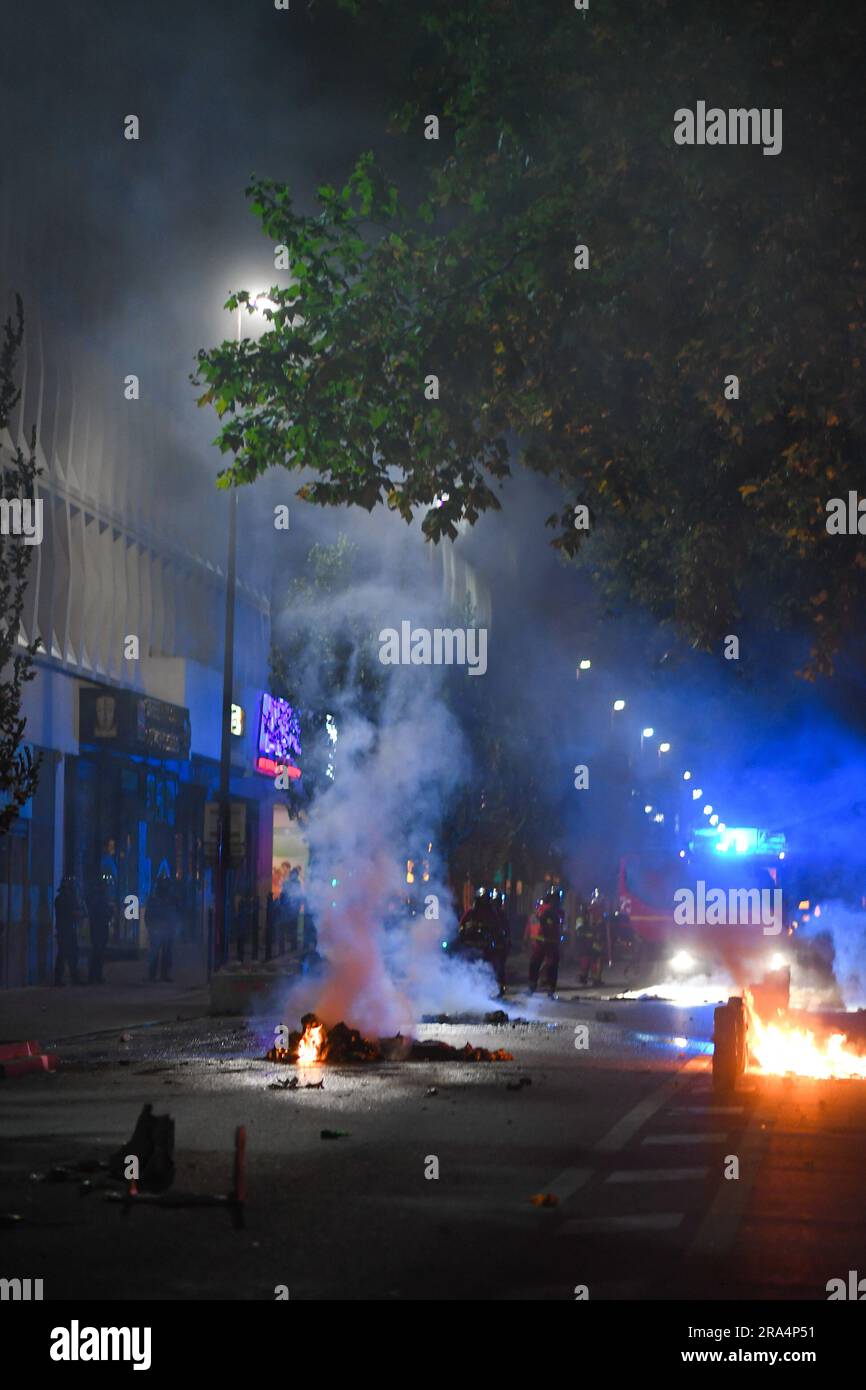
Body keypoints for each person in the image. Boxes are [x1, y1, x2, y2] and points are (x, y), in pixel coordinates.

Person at [526, 887, 564, 997]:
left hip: (544, 943)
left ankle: (536, 987)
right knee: (546, 964)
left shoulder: (545, 910)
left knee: (538, 963)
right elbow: (545, 924)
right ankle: (547, 988)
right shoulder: (549, 910)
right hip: (546, 943)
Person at [54, 875, 87, 985]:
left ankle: (67, 978)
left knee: (68, 954)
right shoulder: (63, 899)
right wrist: (80, 914)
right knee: (66, 954)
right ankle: (63, 978)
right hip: (65, 929)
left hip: (65, 929)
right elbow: (73, 913)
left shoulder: (60, 899)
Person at [146, 875, 176, 982]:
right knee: (155, 952)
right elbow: (149, 915)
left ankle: (162, 975)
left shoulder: (168, 898)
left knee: (165, 953)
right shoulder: (155, 899)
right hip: (157, 929)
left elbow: (173, 914)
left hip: (165, 929)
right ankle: (153, 975)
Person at [87, 872, 116, 984]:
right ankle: (93, 976)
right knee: (97, 953)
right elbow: (101, 913)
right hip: (98, 928)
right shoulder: (98, 899)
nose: (106, 887)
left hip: (100, 928)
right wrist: (110, 912)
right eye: (104, 886)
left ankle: (96, 976)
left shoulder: (101, 898)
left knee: (99, 953)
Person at [279, 867, 304, 953]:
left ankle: (292, 946)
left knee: (291, 927)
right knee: (289, 927)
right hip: (288, 909)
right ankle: (290, 946)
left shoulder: (296, 883)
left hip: (292, 909)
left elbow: (284, 895)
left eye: (295, 874)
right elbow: (283, 895)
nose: (294, 876)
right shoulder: (288, 883)